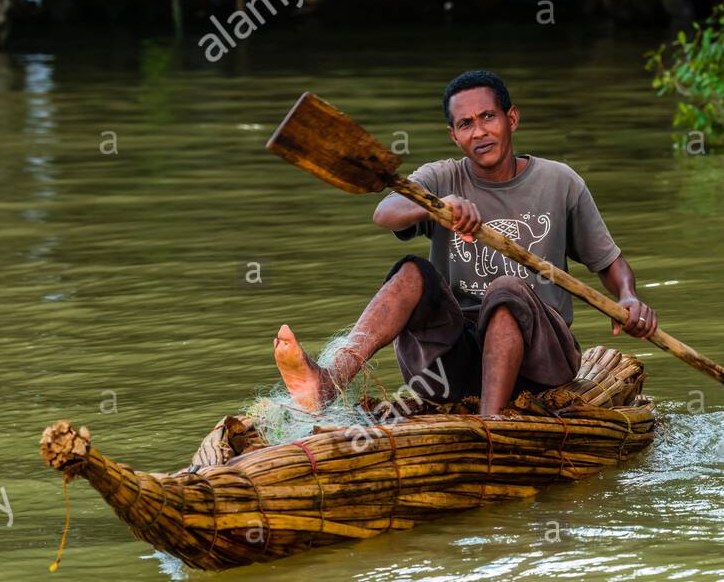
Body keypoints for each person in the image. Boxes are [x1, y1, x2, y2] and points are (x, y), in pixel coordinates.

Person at [273, 70, 658, 416]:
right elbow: (384, 212)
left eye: (488, 117)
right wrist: (437, 208)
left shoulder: (560, 182)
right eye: (466, 124)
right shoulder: (440, 178)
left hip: (539, 365)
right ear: (453, 136)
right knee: (412, 270)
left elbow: (610, 262)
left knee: (505, 290)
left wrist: (627, 296)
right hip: (451, 367)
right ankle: (328, 381)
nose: (479, 132)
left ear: (512, 119)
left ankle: (490, 425)